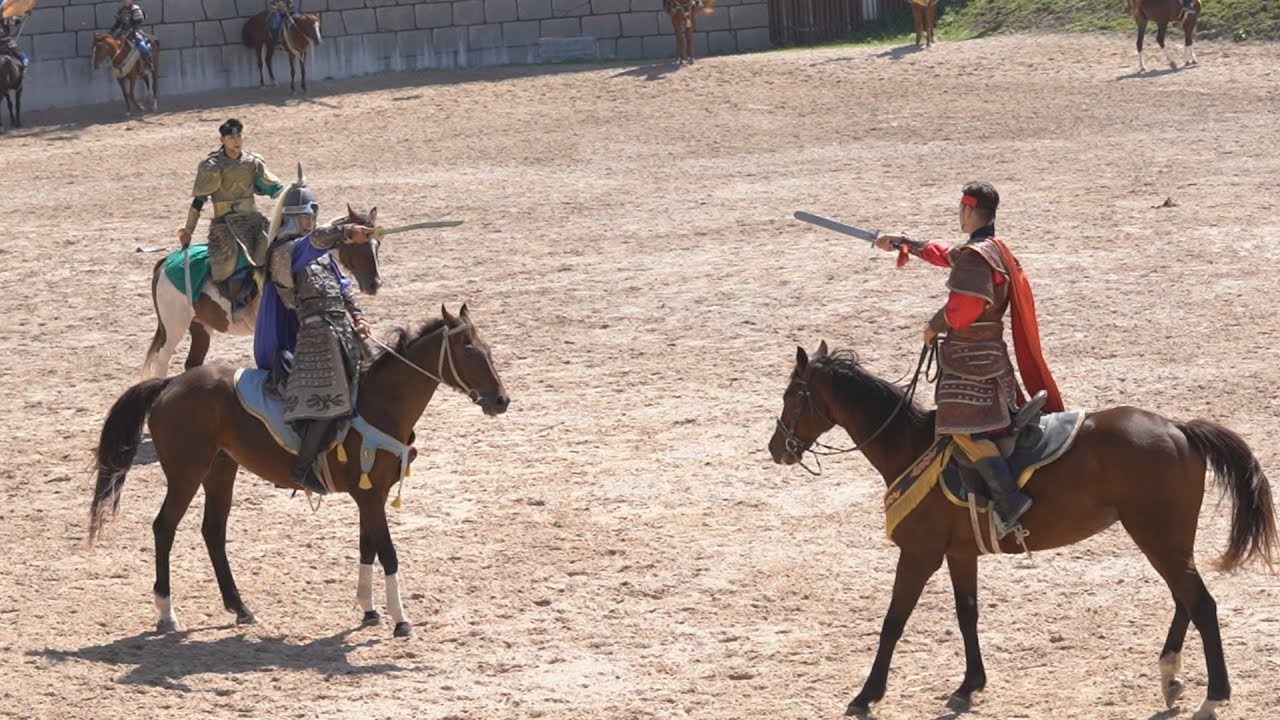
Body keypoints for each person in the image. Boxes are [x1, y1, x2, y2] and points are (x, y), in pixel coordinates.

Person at [876, 181, 1063, 539]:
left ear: (972, 211)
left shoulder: (977, 258)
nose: (959, 215)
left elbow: (964, 310)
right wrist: (903, 242)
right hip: (985, 356)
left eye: (962, 209)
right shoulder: (991, 248)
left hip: (973, 362)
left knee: (959, 426)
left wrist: (933, 325)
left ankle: (1009, 500)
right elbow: (947, 254)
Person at [255, 176, 374, 496]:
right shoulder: (285, 251)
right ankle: (302, 468)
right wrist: (345, 232)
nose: (312, 221)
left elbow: (344, 288)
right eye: (308, 215)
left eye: (314, 215)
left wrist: (359, 318)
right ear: (294, 217)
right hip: (314, 334)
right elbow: (312, 244)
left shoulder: (321, 255)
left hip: (342, 328)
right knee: (329, 396)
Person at [178, 118, 283, 308]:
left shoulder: (252, 162)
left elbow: (272, 188)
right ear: (222, 140)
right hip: (225, 223)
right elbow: (199, 201)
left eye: (239, 136)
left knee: (273, 247)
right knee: (230, 255)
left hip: (253, 220)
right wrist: (188, 230)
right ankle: (235, 300)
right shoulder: (212, 166)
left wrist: (289, 192)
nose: (236, 140)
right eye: (231, 137)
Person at [109, 0, 152, 67]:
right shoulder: (121, 10)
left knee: (144, 48)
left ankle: (149, 65)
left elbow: (137, 23)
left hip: (134, 34)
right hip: (122, 34)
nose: (125, 1)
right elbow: (117, 24)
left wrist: (128, 32)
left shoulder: (136, 9)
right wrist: (111, 31)